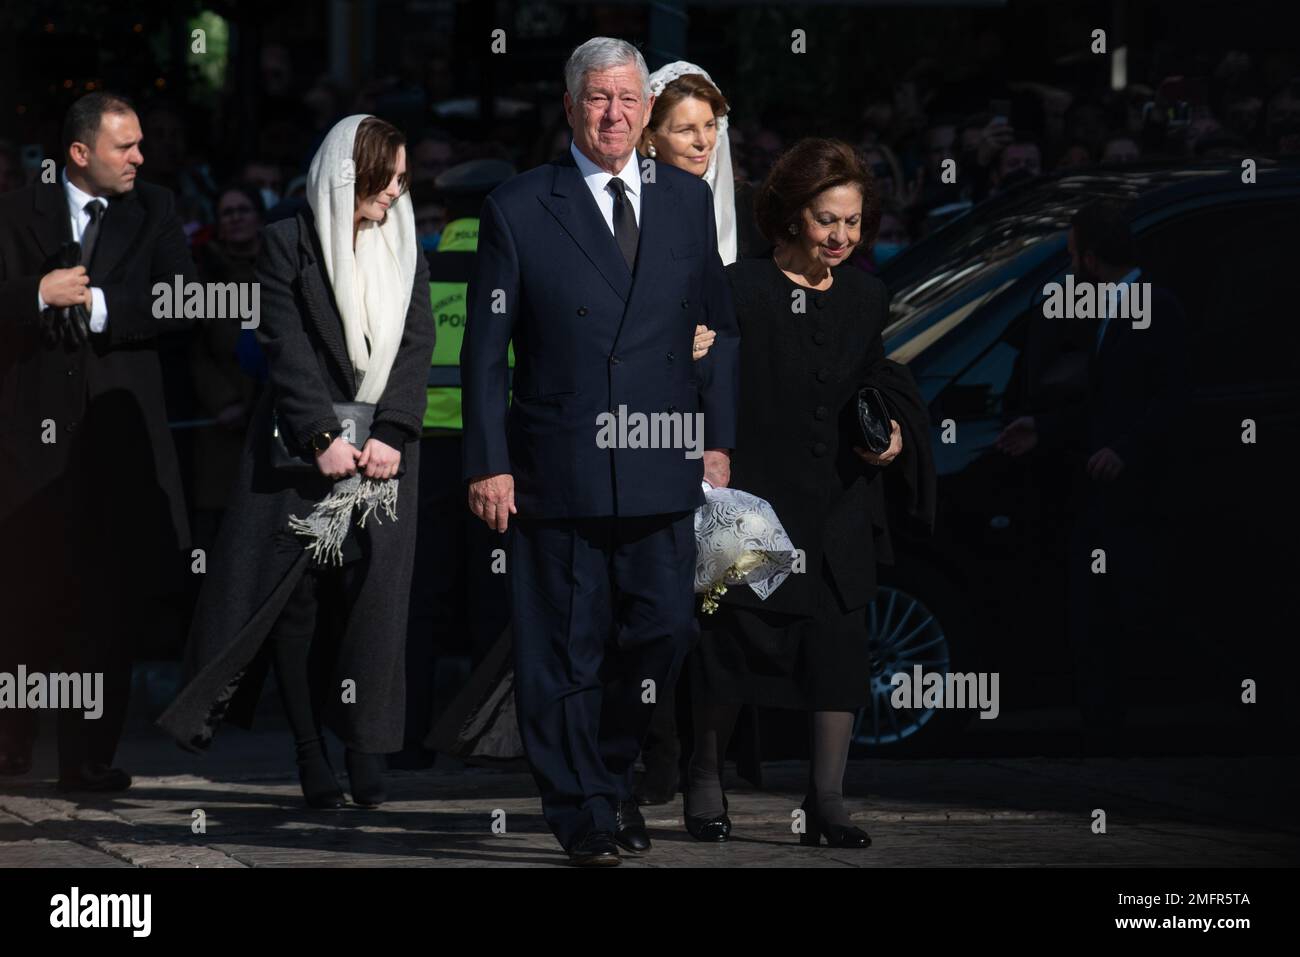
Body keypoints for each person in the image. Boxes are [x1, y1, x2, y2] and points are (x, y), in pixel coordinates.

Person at [460, 36, 740, 865]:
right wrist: (487, 459)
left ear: (646, 110)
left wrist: (718, 441)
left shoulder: (687, 201)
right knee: (564, 650)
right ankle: (582, 809)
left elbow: (721, 329)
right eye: (597, 99)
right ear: (571, 106)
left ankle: (612, 775)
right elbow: (485, 351)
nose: (614, 114)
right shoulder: (519, 205)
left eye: (627, 99)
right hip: (560, 466)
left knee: (662, 632)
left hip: (661, 463)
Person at [157, 115, 435, 809]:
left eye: (405, 178)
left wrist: (394, 428)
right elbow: (283, 342)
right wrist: (320, 433)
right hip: (300, 453)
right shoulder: (286, 240)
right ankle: (310, 748)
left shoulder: (406, 247)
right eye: (389, 176)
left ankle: (366, 742)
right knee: (296, 602)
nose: (399, 192)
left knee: (373, 602)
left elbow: (417, 342)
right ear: (351, 174)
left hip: (384, 458)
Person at [682, 138, 935, 848]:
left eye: (852, 223)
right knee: (731, 645)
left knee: (837, 651)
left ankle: (827, 800)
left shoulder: (865, 294)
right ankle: (706, 777)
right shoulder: (740, 289)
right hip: (752, 503)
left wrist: (890, 436)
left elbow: (876, 377)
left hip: (838, 505)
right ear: (792, 215)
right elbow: (705, 382)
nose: (841, 236)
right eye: (828, 220)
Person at [0, 91, 198, 789]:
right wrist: (36, 294)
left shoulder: (156, 209)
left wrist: (101, 303)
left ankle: (89, 758)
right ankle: (11, 741)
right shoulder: (15, 210)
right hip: (29, 447)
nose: (141, 157)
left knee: (104, 605)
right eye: (126, 146)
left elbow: (185, 300)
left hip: (116, 445)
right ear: (80, 154)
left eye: (141, 143)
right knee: (23, 596)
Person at [996, 200, 1187, 755]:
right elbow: (1106, 401)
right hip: (1106, 488)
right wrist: (1047, 427)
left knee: (1114, 607)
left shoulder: (1156, 308)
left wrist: (1126, 449)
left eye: (1076, 253)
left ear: (1091, 257)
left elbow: (1170, 398)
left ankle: (1117, 726)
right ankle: (1103, 723)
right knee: (1096, 608)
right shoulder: (1111, 308)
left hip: (1135, 492)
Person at [188, 183, 268, 550]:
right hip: (224, 421)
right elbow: (196, 350)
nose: (235, 219)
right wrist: (222, 401)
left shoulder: (280, 267)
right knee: (221, 528)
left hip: (274, 411)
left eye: (243, 210)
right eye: (227, 213)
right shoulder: (203, 276)